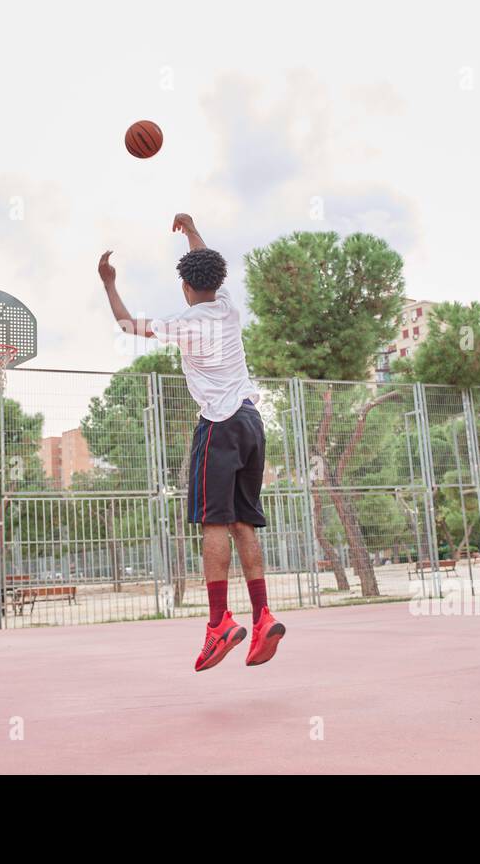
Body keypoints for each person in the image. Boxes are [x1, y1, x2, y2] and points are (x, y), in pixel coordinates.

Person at [98, 213, 285, 671]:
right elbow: (204, 266)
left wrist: (108, 283)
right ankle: (263, 617)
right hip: (250, 421)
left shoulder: (184, 323)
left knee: (214, 525)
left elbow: (126, 326)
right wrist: (192, 230)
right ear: (217, 283)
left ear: (185, 286)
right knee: (244, 523)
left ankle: (219, 622)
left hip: (218, 425)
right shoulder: (229, 309)